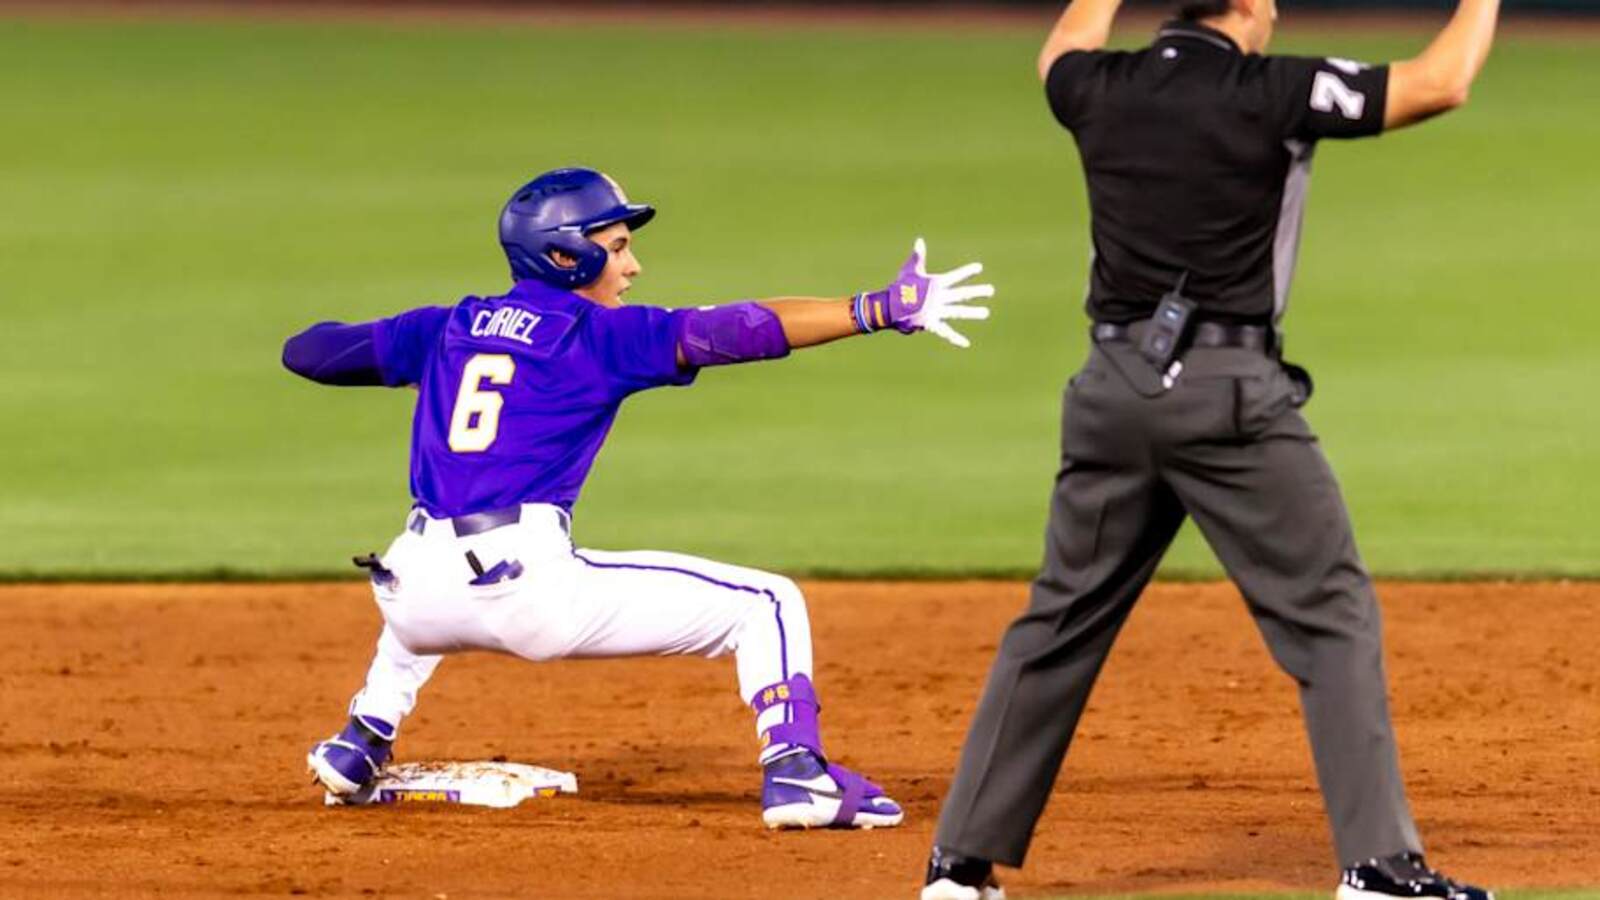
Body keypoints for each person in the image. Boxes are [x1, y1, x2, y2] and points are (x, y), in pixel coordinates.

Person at [921, 0, 1500, 896]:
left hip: (1108, 397)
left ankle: (959, 865)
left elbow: (1059, 51)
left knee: (1059, 621)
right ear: (1254, 8)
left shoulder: (1100, 86)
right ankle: (1378, 868)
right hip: (1230, 401)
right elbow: (1442, 82)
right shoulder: (1275, 88)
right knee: (1330, 612)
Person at [282, 166, 993, 830]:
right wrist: (874, 309)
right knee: (766, 603)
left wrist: (416, 359)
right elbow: (739, 329)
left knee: (425, 566)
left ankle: (361, 740)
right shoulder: (601, 336)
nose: (632, 265)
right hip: (524, 593)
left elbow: (307, 352)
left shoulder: (443, 328)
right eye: (616, 247)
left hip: (409, 594)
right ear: (569, 258)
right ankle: (798, 772)